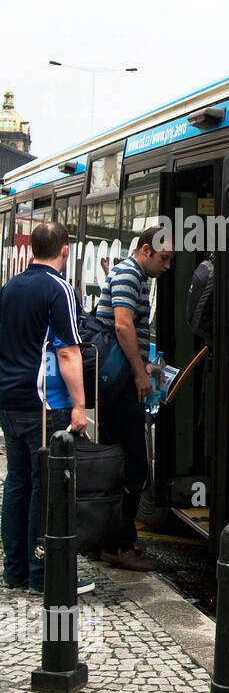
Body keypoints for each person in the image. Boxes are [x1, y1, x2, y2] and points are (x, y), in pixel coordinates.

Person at [0, 222, 89, 595]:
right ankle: (43, 574)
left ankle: (14, 570)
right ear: (64, 251)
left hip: (8, 400)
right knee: (46, 487)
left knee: (16, 481)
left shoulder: (8, 288)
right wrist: (80, 405)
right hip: (43, 403)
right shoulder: (59, 289)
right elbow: (67, 350)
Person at [90, 225, 174, 572]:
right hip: (121, 386)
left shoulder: (136, 276)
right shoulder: (128, 274)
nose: (167, 267)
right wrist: (140, 374)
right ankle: (118, 545)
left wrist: (148, 366)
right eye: (165, 259)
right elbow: (123, 325)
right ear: (145, 250)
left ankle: (107, 541)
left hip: (126, 378)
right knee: (133, 465)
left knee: (121, 463)